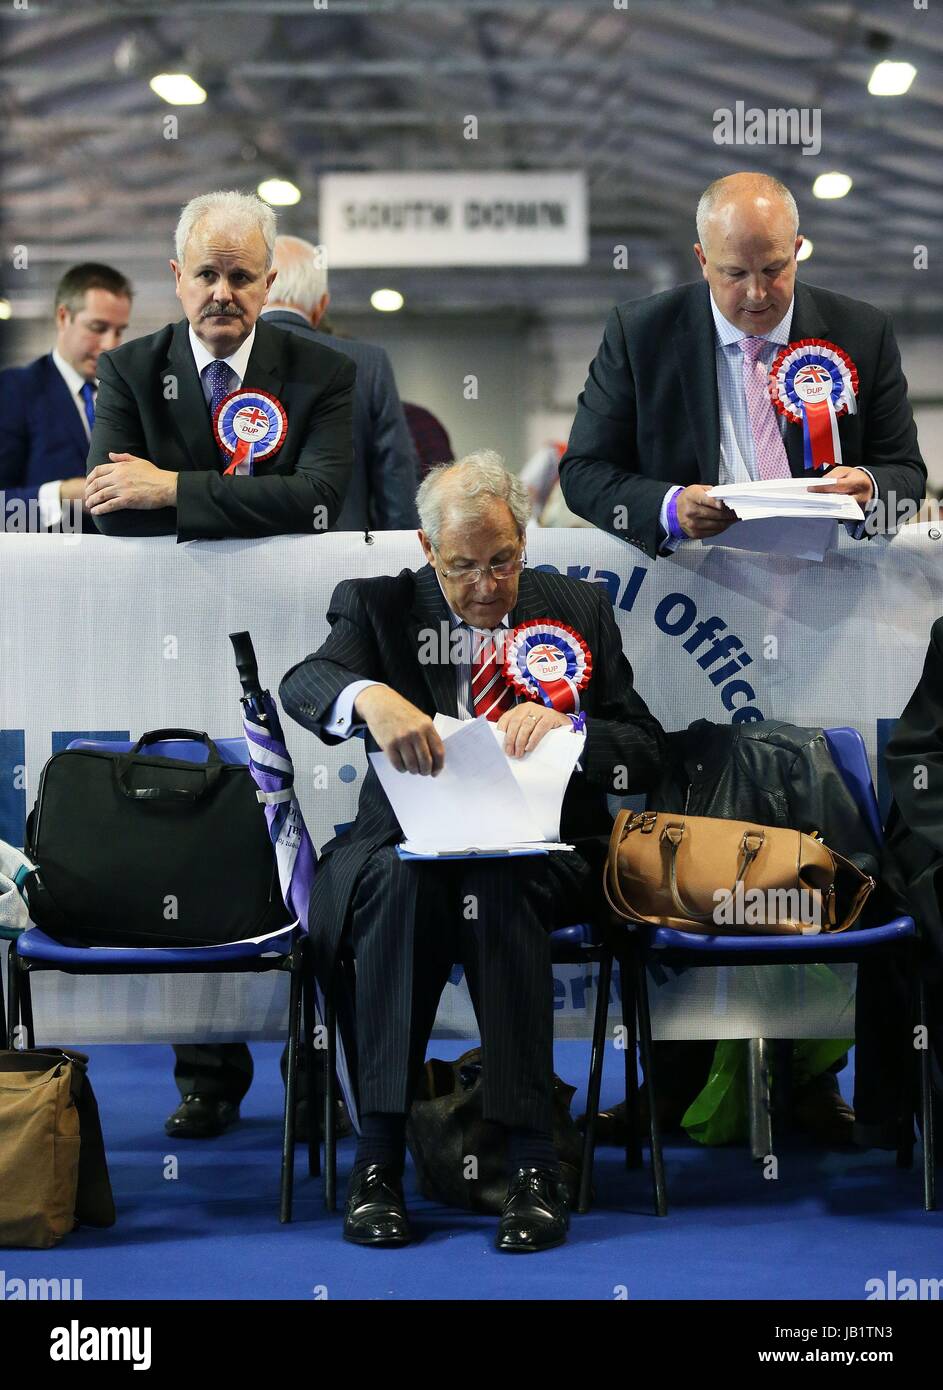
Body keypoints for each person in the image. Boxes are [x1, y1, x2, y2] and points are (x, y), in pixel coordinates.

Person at [278, 451, 667, 1251]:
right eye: (463, 568)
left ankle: (532, 1166)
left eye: (502, 562)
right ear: (427, 550)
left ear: (524, 541)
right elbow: (305, 682)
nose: (486, 586)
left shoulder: (577, 609)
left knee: (498, 880)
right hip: (406, 851)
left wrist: (575, 730)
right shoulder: (379, 607)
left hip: (546, 853)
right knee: (396, 885)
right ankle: (378, 1162)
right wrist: (370, 697)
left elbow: (645, 749)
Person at [559, 171, 926, 557]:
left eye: (774, 269)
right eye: (735, 273)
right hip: (687, 588)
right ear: (702, 260)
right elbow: (583, 472)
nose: (756, 292)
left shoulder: (863, 332)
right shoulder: (639, 336)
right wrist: (669, 508)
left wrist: (870, 487)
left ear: (797, 250)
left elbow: (906, 473)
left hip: (829, 583)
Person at [85, 190, 354, 540]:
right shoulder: (128, 371)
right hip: (166, 589)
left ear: (268, 285)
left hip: (280, 590)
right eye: (207, 275)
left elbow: (319, 503)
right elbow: (112, 511)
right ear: (178, 277)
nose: (223, 294)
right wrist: (267, 504)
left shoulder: (323, 373)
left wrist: (172, 488)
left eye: (241, 277)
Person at [260, 235, 419, 531]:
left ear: (258, 290)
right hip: (345, 563)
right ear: (322, 305)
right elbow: (396, 480)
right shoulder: (369, 363)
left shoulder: (223, 360)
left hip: (245, 564)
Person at [0, 263, 132, 532]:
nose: (110, 344)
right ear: (63, 318)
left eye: (119, 330)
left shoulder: (128, 398)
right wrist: (60, 494)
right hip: (47, 567)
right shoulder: (15, 390)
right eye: (98, 327)